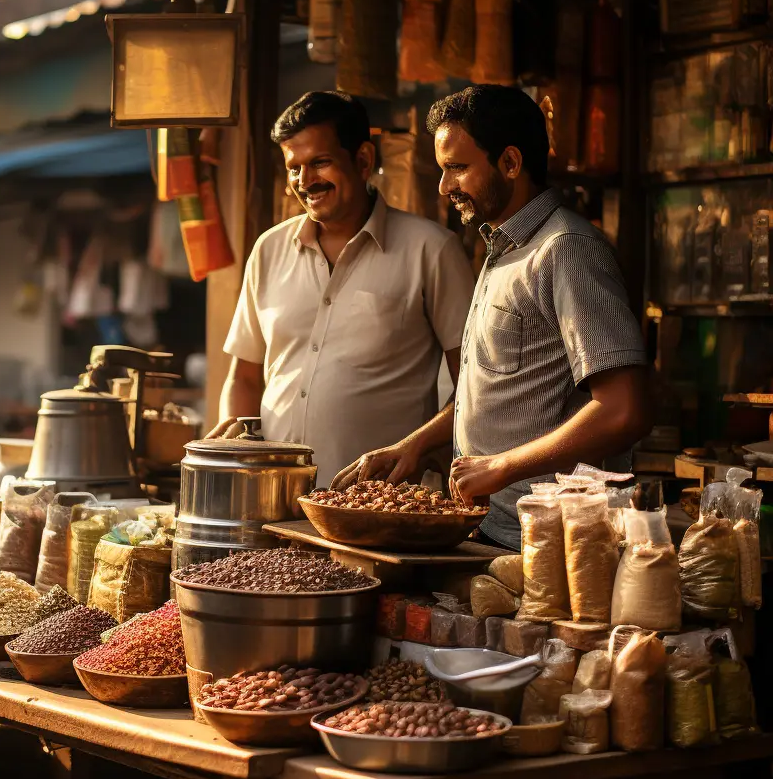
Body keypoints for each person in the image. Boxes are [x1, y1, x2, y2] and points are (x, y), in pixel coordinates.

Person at [334, 85, 651, 549]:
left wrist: (500, 466)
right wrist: (417, 444)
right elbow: (494, 389)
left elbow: (624, 410)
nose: (444, 187)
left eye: (457, 168)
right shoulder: (501, 249)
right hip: (489, 529)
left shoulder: (566, 250)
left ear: (510, 163)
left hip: (546, 541)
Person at [209, 90, 475, 487]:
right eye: (294, 167)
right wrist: (233, 454)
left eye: (320, 162)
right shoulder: (268, 250)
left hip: (380, 504)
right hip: (272, 501)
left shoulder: (431, 250)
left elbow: (474, 388)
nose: (305, 181)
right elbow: (245, 378)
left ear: (363, 159)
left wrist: (418, 446)